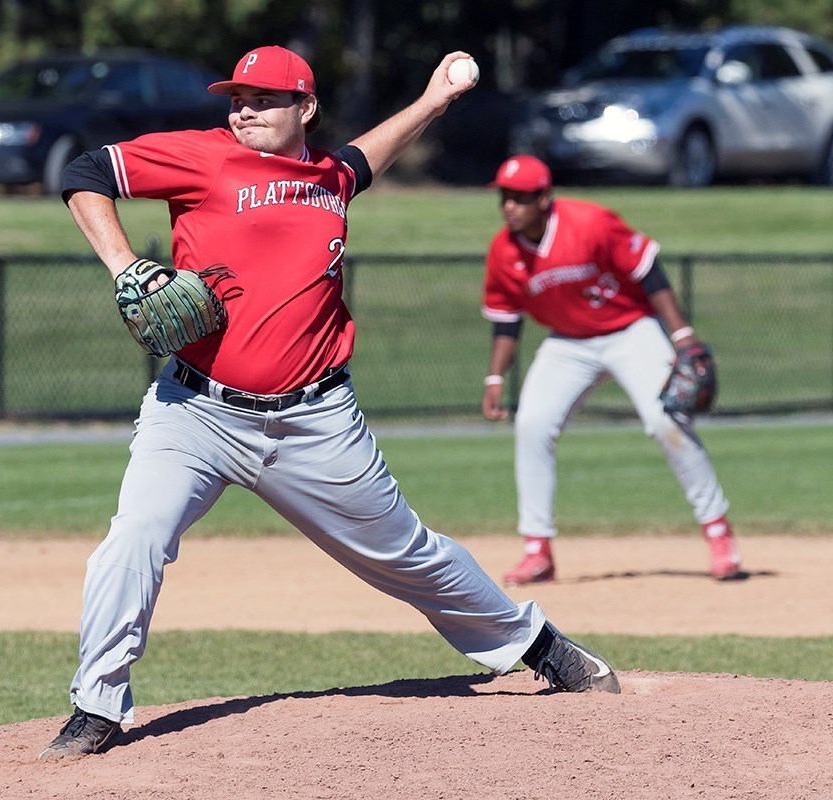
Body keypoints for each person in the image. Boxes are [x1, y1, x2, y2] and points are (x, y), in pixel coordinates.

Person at [39, 46, 620, 761]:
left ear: (305, 108)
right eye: (237, 96)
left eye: (263, 98)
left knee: (406, 554)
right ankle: (95, 706)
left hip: (316, 421)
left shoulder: (329, 178)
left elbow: (363, 156)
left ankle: (538, 644)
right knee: (134, 539)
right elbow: (86, 172)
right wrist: (126, 264)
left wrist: (435, 99)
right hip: (195, 413)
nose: (244, 108)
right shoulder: (203, 158)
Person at [479, 154, 743, 586]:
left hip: (630, 330)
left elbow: (649, 272)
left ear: (544, 198)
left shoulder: (591, 222)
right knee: (532, 424)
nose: (510, 206)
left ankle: (719, 533)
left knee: (666, 420)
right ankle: (537, 550)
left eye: (520, 197)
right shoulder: (503, 252)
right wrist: (495, 378)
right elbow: (506, 320)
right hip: (568, 343)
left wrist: (682, 336)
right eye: (505, 196)